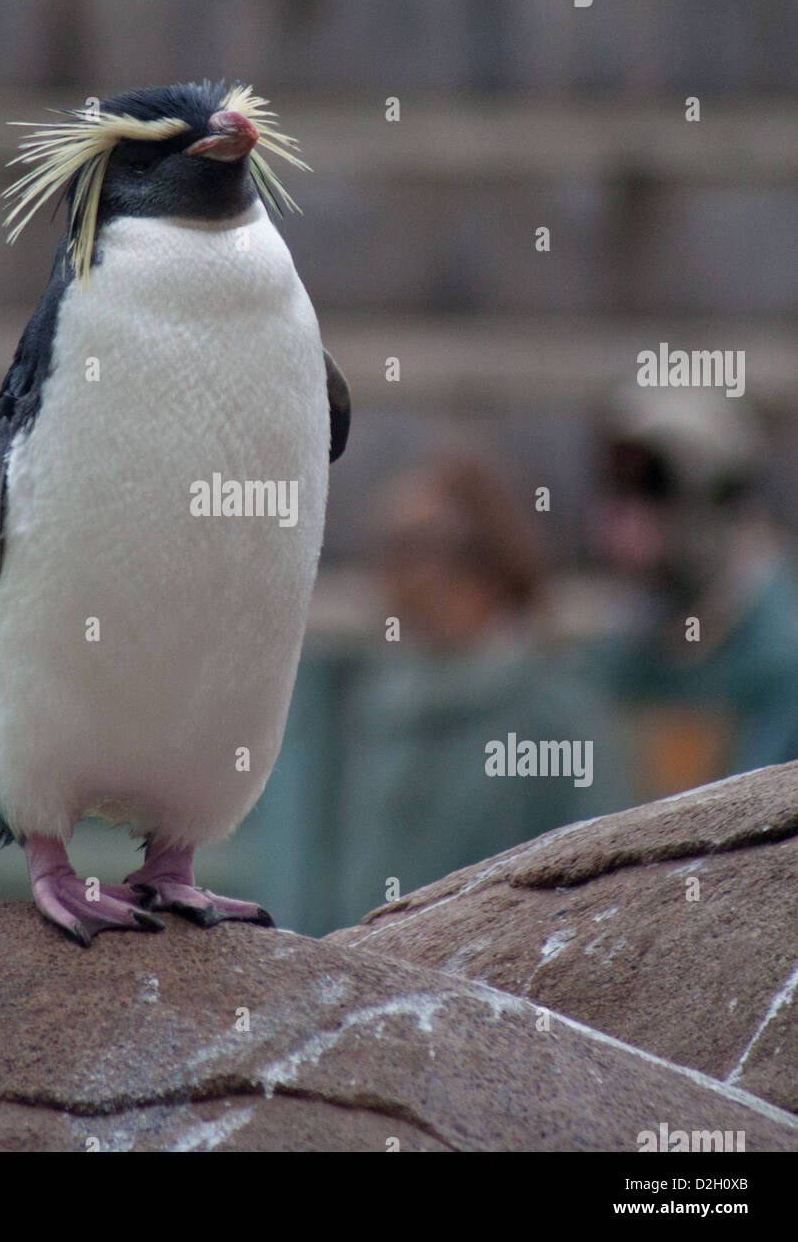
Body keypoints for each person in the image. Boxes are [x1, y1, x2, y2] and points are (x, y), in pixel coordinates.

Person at [246, 455, 633, 935]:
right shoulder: (356, 701)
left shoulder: (554, 714)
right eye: (390, 548)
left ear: (487, 561)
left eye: (419, 548)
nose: (397, 574)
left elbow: (596, 889)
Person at [590, 385, 798, 791]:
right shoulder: (615, 651)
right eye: (621, 487)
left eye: (656, 489)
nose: (632, 518)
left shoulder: (779, 657)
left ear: (722, 500)